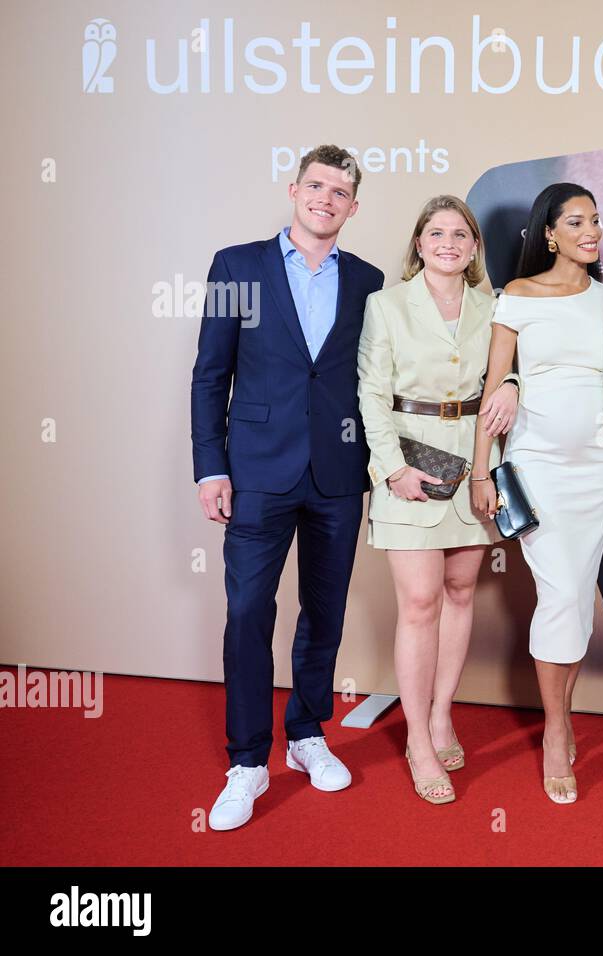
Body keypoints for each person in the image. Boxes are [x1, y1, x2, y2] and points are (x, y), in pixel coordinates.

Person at [190, 145, 384, 831]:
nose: (326, 199)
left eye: (341, 192)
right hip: (256, 472)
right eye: (317, 185)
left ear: (354, 206)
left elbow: (371, 380)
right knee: (248, 614)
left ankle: (305, 735)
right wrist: (211, 466)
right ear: (294, 188)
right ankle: (246, 761)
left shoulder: (368, 279)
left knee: (323, 612)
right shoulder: (236, 266)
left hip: (336, 472)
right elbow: (211, 373)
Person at [357, 195, 518, 806]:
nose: (448, 242)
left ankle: (443, 713)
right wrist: (391, 469)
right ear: (419, 243)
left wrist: (512, 384)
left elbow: (512, 369)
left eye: (460, 234)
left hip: (476, 463)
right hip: (409, 466)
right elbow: (371, 394)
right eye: (436, 233)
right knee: (420, 602)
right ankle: (418, 739)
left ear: (474, 247)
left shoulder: (494, 305)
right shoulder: (386, 304)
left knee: (458, 593)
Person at [471, 183, 603, 805]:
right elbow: (492, 384)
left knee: (576, 597)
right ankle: (557, 730)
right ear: (550, 233)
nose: (592, 231)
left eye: (596, 219)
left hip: (599, 466)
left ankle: (562, 715)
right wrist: (482, 470)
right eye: (577, 221)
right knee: (560, 593)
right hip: (538, 465)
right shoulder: (517, 297)